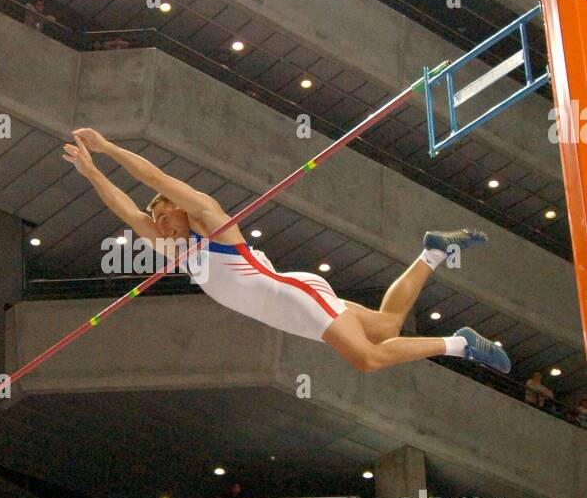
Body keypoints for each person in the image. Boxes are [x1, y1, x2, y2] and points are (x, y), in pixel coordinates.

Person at [61, 129, 510, 376]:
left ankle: (461, 344)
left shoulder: (213, 223)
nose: (159, 224)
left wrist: (107, 148)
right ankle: (433, 252)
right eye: (156, 221)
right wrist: (90, 171)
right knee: (385, 327)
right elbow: (126, 209)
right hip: (291, 312)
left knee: (367, 358)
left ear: (183, 209)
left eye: (164, 215)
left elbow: (156, 179)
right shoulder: (179, 252)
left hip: (291, 295)